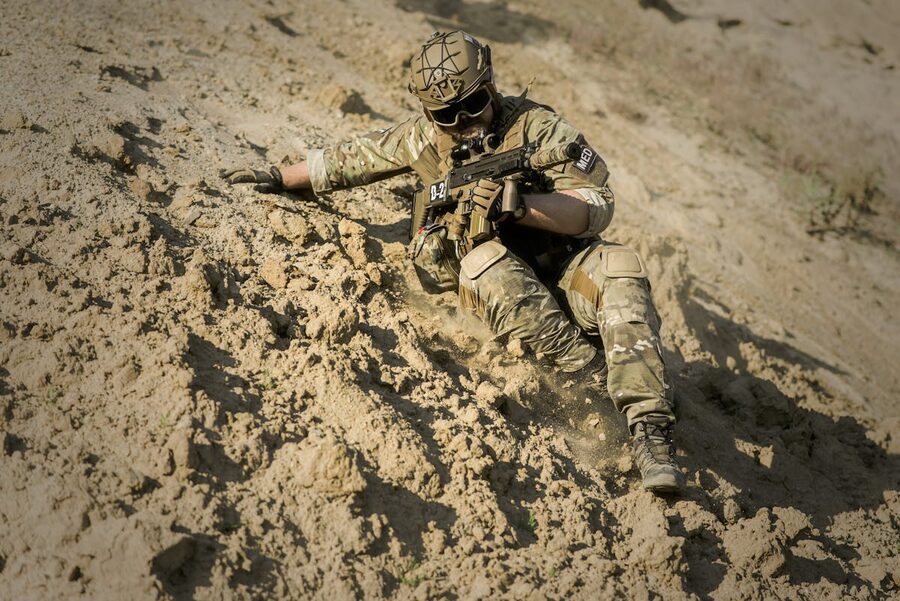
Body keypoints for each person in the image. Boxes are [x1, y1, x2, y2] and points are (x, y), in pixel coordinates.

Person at [221, 31, 685, 493]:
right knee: (484, 262)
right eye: (446, 115)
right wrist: (280, 175)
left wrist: (523, 205)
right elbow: (353, 160)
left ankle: (651, 431)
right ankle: (592, 379)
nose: (463, 121)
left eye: (474, 103)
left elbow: (596, 205)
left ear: (491, 86)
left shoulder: (540, 130)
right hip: (493, 293)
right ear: (428, 114)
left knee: (620, 266)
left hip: (563, 272)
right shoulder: (422, 142)